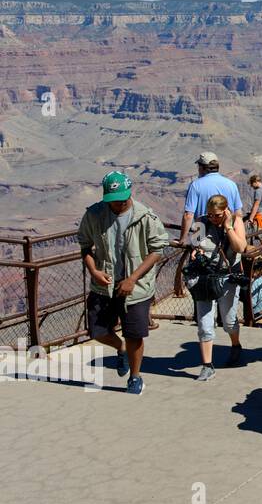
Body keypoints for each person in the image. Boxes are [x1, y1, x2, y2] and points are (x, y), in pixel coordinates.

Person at [77, 171, 169, 395]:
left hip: (135, 287)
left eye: (121, 199)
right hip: (104, 284)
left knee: (134, 334)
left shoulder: (145, 216)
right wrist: (94, 270)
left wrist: (132, 278)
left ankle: (135, 377)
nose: (117, 204)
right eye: (112, 200)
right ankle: (121, 349)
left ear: (129, 193)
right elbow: (85, 245)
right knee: (97, 331)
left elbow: (158, 249)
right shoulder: (95, 214)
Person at [175, 193, 247, 380]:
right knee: (205, 323)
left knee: (229, 321)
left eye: (217, 215)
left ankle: (235, 344)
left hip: (227, 278)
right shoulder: (201, 222)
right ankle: (207, 365)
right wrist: (195, 250)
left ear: (226, 211)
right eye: (210, 215)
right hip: (205, 278)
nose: (213, 218)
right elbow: (195, 243)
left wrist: (228, 227)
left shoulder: (236, 222)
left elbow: (240, 248)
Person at [179, 151, 242, 248]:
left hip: (201, 233)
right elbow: (238, 214)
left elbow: (188, 215)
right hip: (227, 234)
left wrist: (182, 239)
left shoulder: (196, 185)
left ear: (202, 168)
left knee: (198, 260)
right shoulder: (231, 184)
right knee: (227, 261)